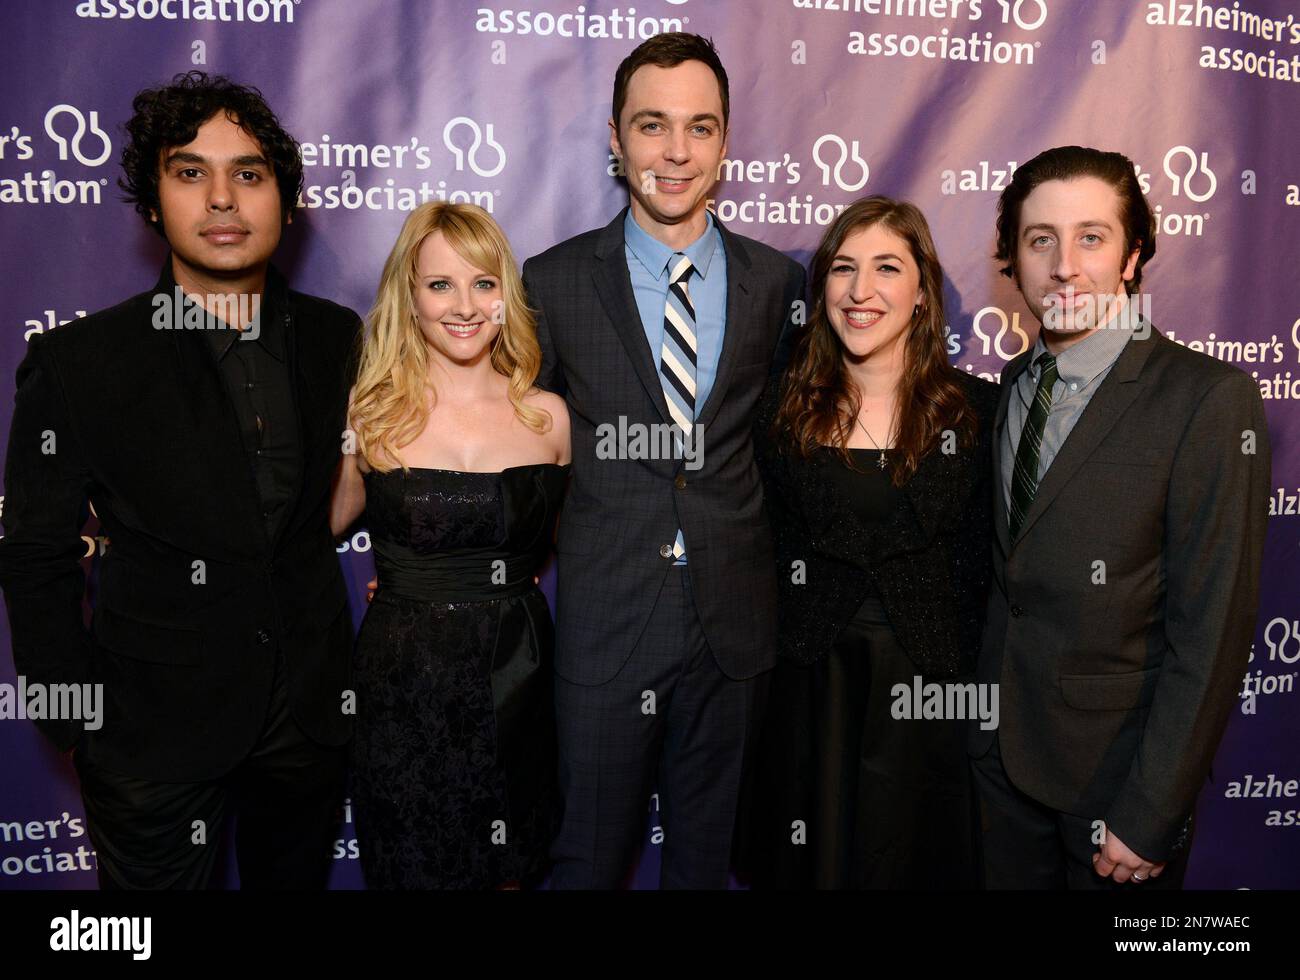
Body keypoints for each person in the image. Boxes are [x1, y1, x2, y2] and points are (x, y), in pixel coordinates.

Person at [0, 71, 362, 889]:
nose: (224, 199)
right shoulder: (80, 363)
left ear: (286, 199)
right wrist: (75, 724)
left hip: (307, 725)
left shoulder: (336, 338)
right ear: (154, 201)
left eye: (250, 174)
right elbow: (36, 553)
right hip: (148, 737)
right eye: (190, 172)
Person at [521, 32, 806, 889]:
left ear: (725, 142)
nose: (675, 152)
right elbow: (514, 443)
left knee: (707, 865)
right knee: (587, 864)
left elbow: (795, 447)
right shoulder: (552, 282)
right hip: (607, 626)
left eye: (700, 127)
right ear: (615, 137)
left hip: (735, 627)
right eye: (652, 126)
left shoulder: (779, 285)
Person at [969, 145, 1271, 889]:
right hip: (998, 778)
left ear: (1133, 255)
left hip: (1116, 792)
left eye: (1092, 238)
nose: (1065, 265)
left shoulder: (1207, 399)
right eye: (1041, 240)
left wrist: (1152, 810)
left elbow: (1214, 629)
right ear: (1012, 255)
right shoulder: (1011, 385)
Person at [747, 196, 997, 889]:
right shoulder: (777, 411)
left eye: (887, 268)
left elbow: (992, 569)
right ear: (821, 286)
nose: (861, 292)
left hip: (930, 702)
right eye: (843, 269)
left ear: (922, 293)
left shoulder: (980, 412)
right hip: (810, 696)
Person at [331, 201, 570, 889]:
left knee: (510, 864)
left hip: (516, 671)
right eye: (440, 285)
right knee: (409, 864)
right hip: (401, 680)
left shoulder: (549, 417)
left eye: (484, 283)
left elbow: (589, 544)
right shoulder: (368, 411)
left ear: (506, 295)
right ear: (410, 296)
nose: (464, 305)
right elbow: (314, 528)